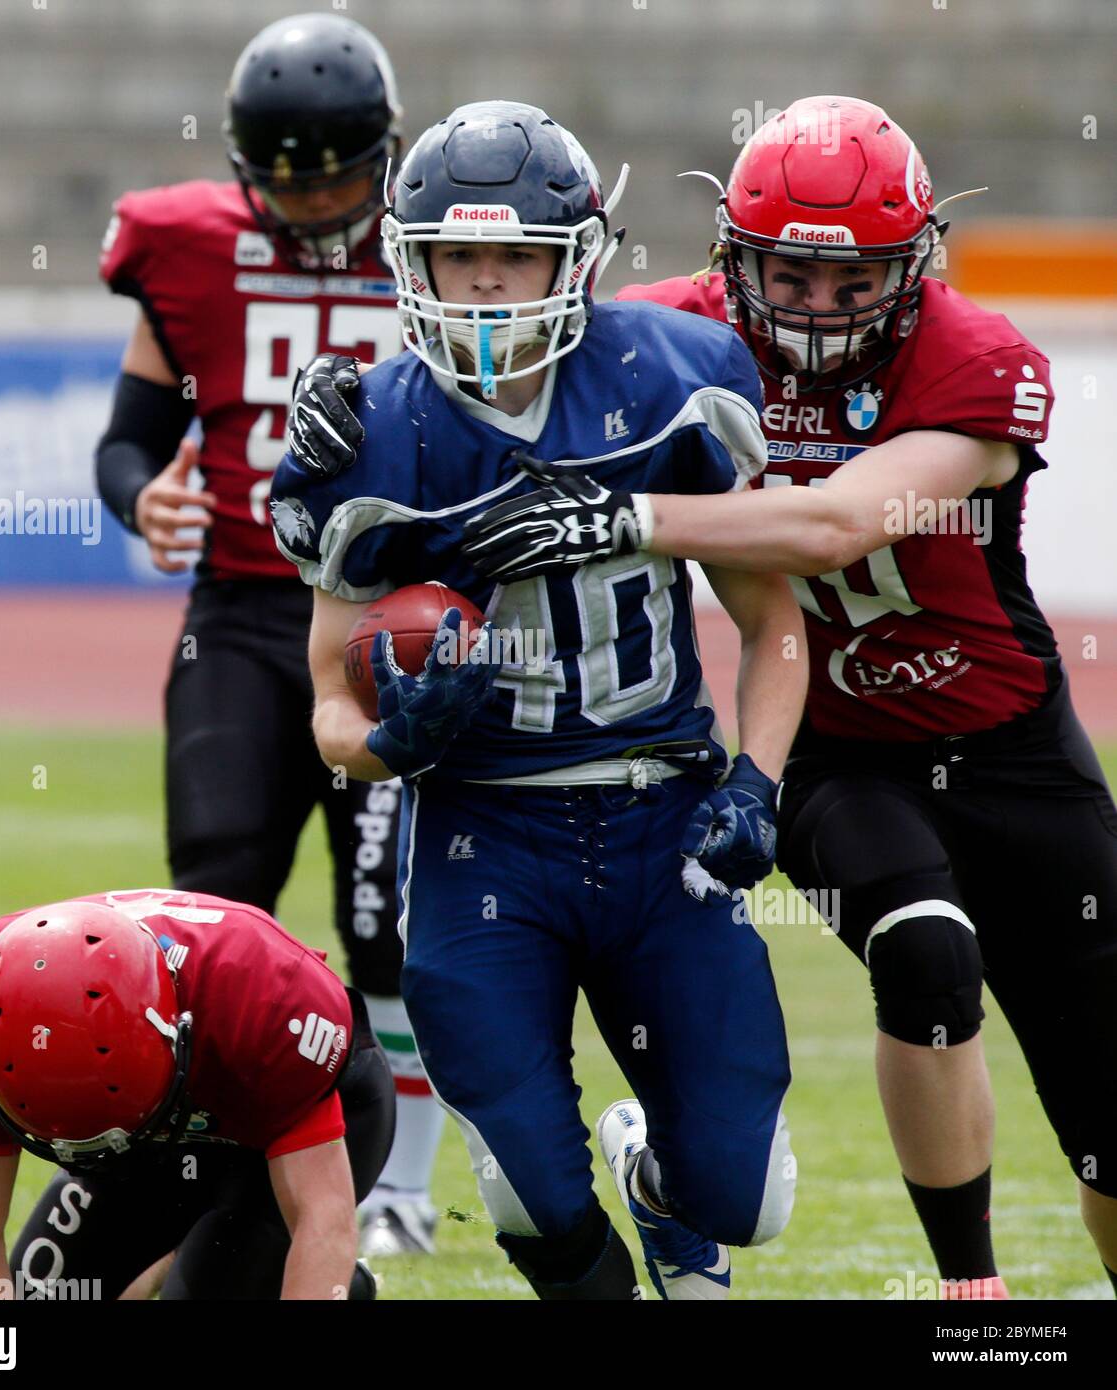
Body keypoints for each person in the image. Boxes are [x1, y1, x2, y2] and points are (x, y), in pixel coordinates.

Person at [456, 96, 1117, 1298]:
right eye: (787, 278)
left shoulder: (976, 359)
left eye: (850, 281)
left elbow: (840, 524)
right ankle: (970, 1295)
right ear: (731, 259)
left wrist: (632, 514)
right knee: (924, 956)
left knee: (1109, 1123)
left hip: (1010, 743)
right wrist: (360, 398)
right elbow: (512, 337)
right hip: (823, 750)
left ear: (914, 265)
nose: (814, 310)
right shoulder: (676, 334)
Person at [270, 100, 803, 1300]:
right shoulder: (371, 434)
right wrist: (390, 743)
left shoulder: (676, 379)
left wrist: (757, 781)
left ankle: (666, 1200)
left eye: (515, 253)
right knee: (531, 1202)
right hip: (481, 830)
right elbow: (325, 707)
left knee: (746, 1199)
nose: (487, 286)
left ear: (578, 258)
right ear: (412, 262)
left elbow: (774, 622)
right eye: (459, 256)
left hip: (662, 816)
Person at [92, 13, 442, 1256]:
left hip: (396, 620)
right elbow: (129, 434)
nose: (313, 203)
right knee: (216, 893)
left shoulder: (447, 236)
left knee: (389, 919)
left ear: (386, 154)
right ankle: (226, 1162)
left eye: (339, 175)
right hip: (243, 611)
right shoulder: (187, 247)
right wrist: (142, 492)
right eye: (287, 179)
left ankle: (398, 1177)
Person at [0, 889, 393, 1300]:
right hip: (140, 1155)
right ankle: (175, 1256)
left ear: (171, 1035)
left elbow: (319, 1215)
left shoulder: (265, 1005)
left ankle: (342, 1285)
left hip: (269, 1129)